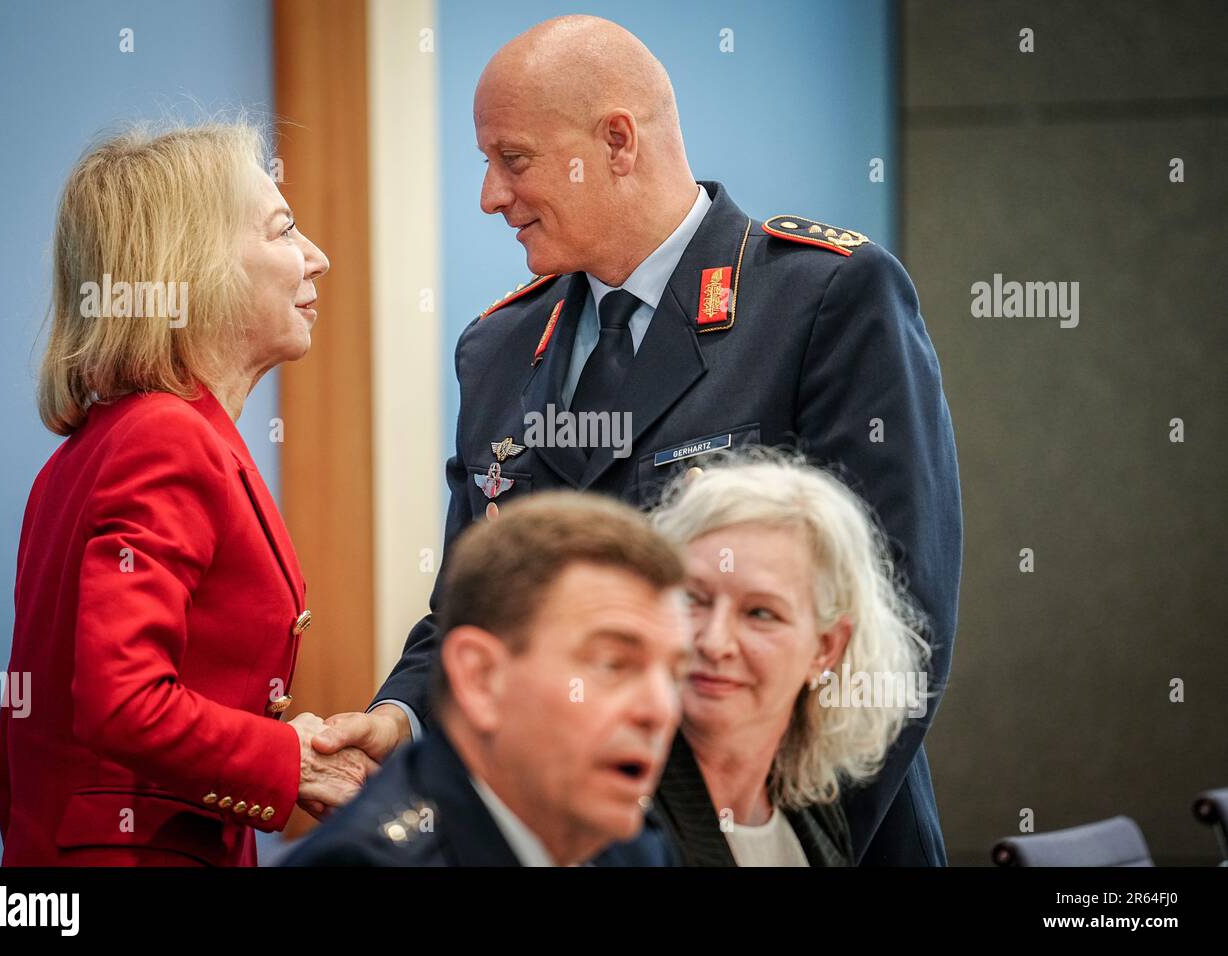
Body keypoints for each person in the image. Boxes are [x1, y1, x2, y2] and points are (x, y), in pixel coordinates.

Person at [315, 14, 961, 866]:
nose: (491, 196)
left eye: (513, 160)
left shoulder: (822, 299)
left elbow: (898, 616)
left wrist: (772, 837)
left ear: (617, 141)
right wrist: (400, 714)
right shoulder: (498, 348)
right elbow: (479, 601)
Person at [0, 120, 368, 866]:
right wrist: (287, 761)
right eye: (285, 229)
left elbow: (19, 757)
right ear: (193, 268)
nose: (317, 258)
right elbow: (123, 701)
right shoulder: (167, 438)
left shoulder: (100, 444)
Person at [284, 493, 688, 866]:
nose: (660, 711)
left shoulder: (627, 839)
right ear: (480, 678)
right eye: (612, 665)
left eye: (674, 673)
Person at [648, 452, 930, 866]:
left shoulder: (814, 811)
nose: (714, 642)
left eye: (760, 613)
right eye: (694, 599)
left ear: (826, 648)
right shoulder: (612, 803)